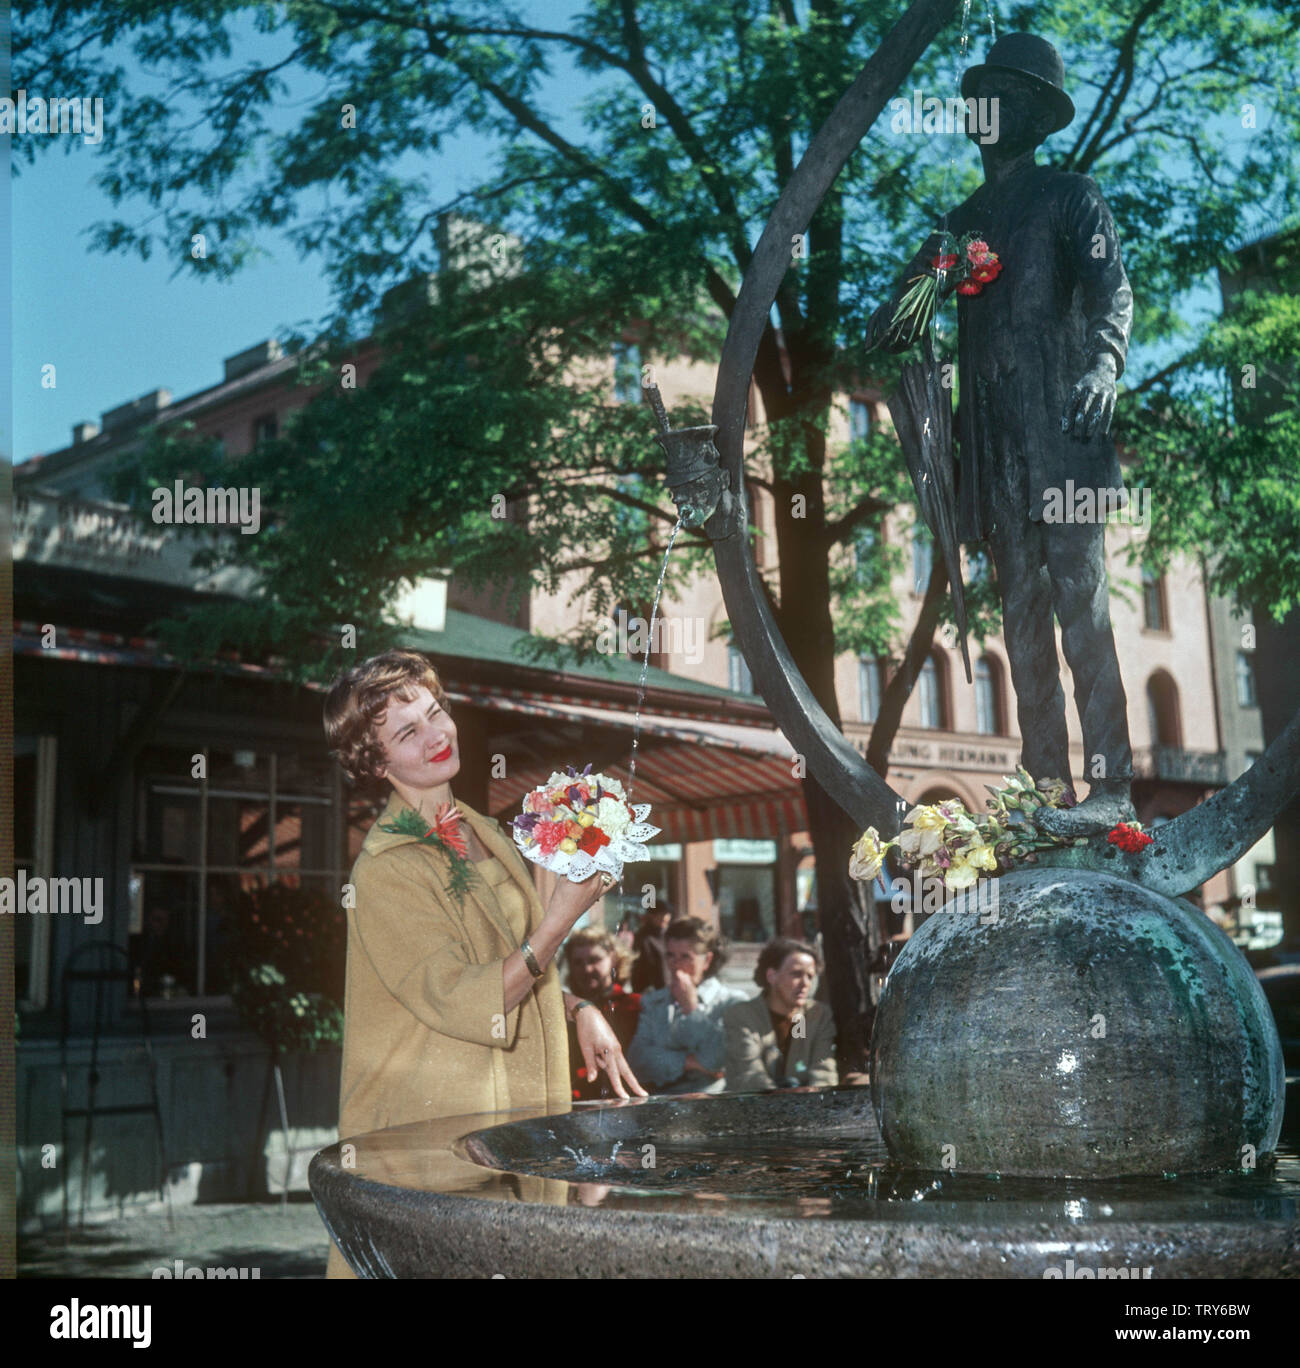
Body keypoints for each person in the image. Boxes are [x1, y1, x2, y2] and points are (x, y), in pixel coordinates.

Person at [867, 32, 1136, 837]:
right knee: (1021, 619)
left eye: (1005, 94)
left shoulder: (1070, 194)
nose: (987, 108)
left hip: (1064, 435)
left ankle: (1112, 784)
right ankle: (1044, 788)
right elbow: (885, 327)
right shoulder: (959, 224)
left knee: (1083, 610)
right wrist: (919, 295)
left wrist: (1104, 367)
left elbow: (1112, 290)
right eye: (980, 94)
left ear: (1035, 114)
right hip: (993, 453)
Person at [320, 648, 645, 1278]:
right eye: (408, 732)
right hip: (427, 1148)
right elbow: (470, 997)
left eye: (435, 712)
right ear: (375, 760)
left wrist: (577, 1007)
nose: (436, 734)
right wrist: (562, 921)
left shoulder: (483, 828)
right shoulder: (386, 869)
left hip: (503, 1130)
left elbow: (518, 957)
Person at [627, 916, 748, 1094]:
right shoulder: (653, 1001)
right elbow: (638, 1060)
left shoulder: (732, 1002)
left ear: (706, 960)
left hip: (715, 1099)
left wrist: (691, 1009)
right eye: (670, 956)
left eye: (686, 957)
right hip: (664, 1099)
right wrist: (689, 1062)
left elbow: (718, 1060)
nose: (676, 965)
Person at [724, 938, 837, 1092]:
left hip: (809, 1108)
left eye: (810, 976)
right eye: (796, 974)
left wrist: (814, 1099)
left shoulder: (816, 1015)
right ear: (772, 976)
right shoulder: (742, 1015)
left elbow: (824, 1071)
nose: (805, 984)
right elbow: (750, 1073)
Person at [563, 927, 642, 1100]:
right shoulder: (564, 1013)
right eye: (578, 962)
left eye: (594, 960)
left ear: (613, 959)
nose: (587, 969)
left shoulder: (635, 1005)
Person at [629, 901, 672, 993]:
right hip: (649, 990)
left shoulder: (670, 935)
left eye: (667, 914)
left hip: (670, 988)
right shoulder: (643, 937)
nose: (664, 918)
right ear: (652, 916)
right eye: (660, 914)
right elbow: (638, 967)